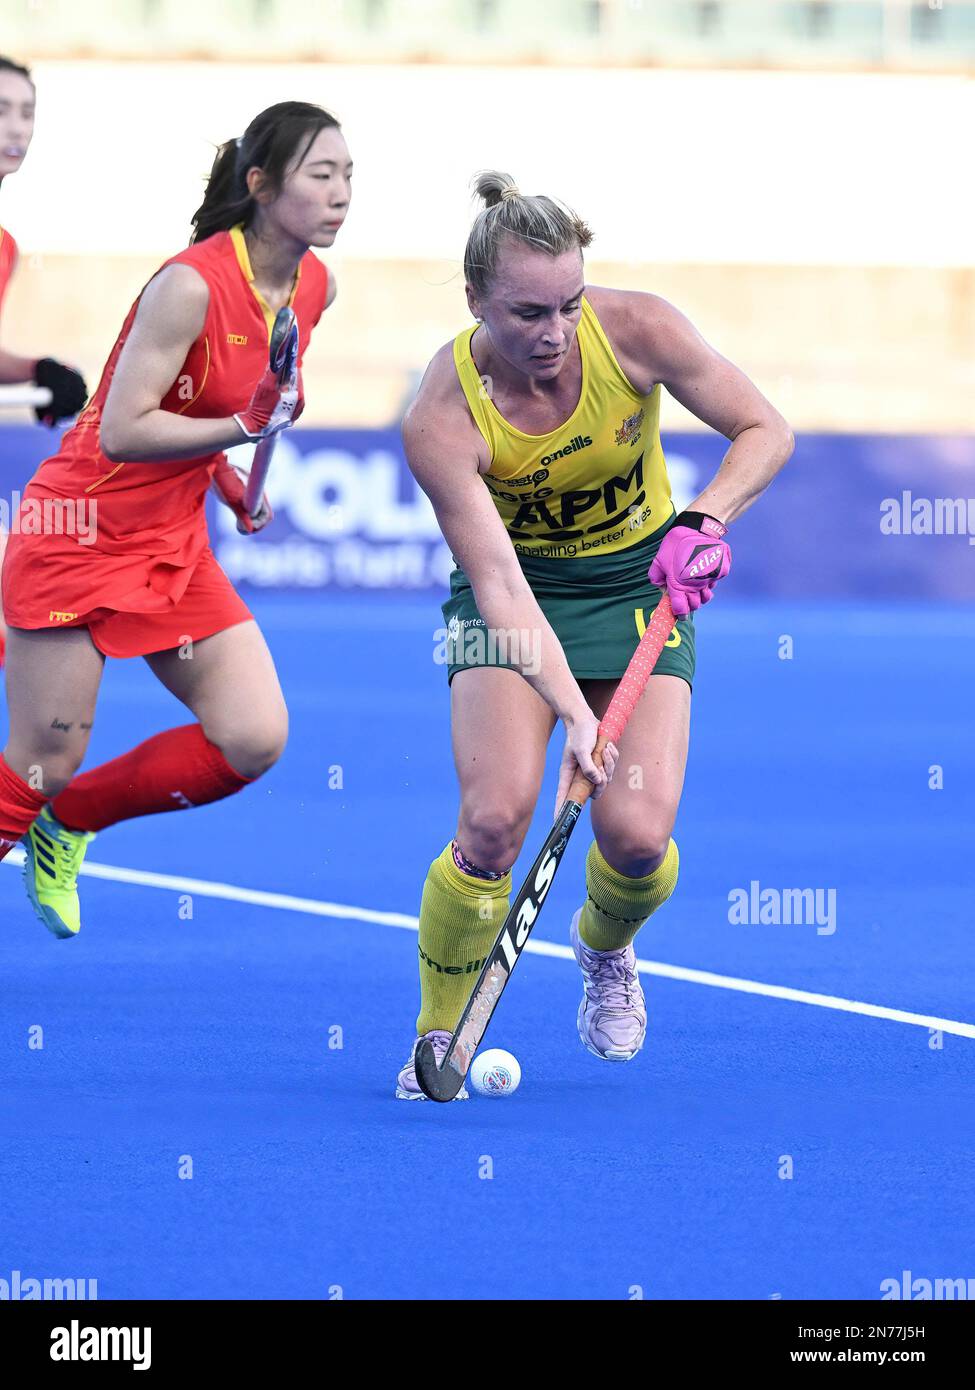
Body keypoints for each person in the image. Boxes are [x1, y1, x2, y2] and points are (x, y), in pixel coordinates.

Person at [396, 171, 793, 1098]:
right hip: (515, 603)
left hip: (637, 592)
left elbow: (763, 429)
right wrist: (576, 713)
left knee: (637, 838)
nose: (554, 332)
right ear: (474, 302)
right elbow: (496, 582)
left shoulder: (638, 330)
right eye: (527, 311)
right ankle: (436, 1035)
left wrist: (704, 519)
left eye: (569, 305)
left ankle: (603, 949)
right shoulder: (442, 414)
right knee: (494, 821)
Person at [0, 100, 351, 938]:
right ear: (261, 186)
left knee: (252, 737)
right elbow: (122, 428)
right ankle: (53, 802)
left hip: (172, 543)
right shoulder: (188, 284)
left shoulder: (313, 285)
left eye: (348, 176)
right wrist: (243, 432)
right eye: (320, 175)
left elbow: (226, 403)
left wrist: (229, 474)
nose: (341, 194)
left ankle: (72, 821)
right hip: (78, 533)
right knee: (40, 765)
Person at [0, 55, 88, 669]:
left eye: (27, 112)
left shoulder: (5, 247)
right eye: (1, 110)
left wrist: (38, 371)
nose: (16, 127)